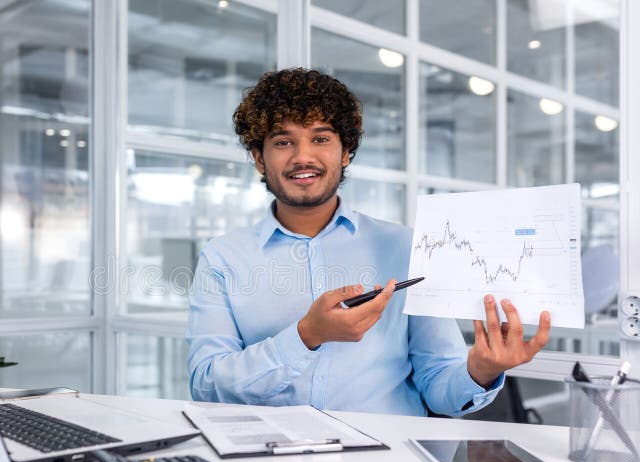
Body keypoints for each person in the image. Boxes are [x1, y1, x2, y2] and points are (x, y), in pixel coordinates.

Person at [186, 68, 551, 416]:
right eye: (283, 142)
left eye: (321, 138)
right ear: (259, 159)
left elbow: (439, 386)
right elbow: (207, 385)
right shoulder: (222, 258)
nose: (303, 157)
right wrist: (305, 335)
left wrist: (481, 371)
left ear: (346, 152)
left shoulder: (407, 247)